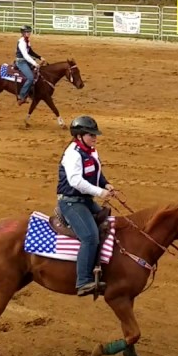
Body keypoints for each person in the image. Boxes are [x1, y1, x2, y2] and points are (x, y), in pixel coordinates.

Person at [57, 115, 120, 296]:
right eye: (91, 135)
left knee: (108, 225)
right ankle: (83, 281)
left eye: (95, 135)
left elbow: (96, 172)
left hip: (85, 201)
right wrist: (100, 193)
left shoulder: (91, 150)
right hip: (71, 202)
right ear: (79, 136)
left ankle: (99, 266)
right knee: (90, 236)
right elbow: (76, 181)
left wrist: (105, 184)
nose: (95, 138)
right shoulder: (73, 154)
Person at [14, 25, 42, 104]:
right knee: (30, 78)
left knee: (37, 73)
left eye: (29, 32)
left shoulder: (27, 40)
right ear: (23, 33)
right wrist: (35, 63)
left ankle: (31, 93)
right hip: (21, 62)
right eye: (27, 32)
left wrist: (39, 57)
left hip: (25, 60)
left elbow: (30, 51)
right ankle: (22, 95)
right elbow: (26, 55)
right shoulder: (22, 42)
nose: (29, 33)